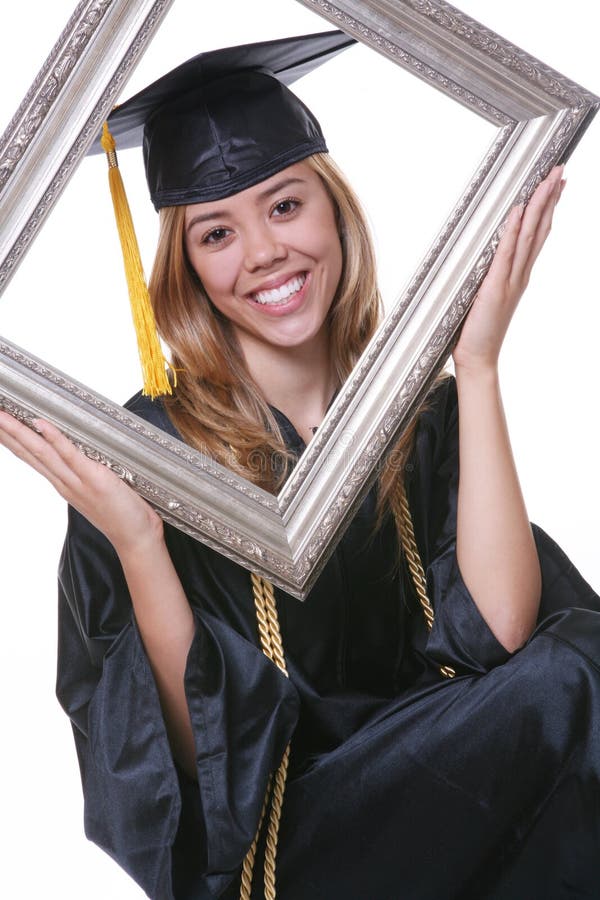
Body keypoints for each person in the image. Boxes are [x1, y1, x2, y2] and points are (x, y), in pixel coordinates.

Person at [0, 29, 599, 900]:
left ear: (334, 208)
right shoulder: (145, 450)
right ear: (186, 266)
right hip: (297, 846)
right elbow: (194, 769)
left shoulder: (412, 406)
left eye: (284, 206)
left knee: (574, 662)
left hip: (445, 787)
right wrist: (138, 543)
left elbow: (503, 634)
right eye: (216, 233)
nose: (263, 253)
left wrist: (475, 367)